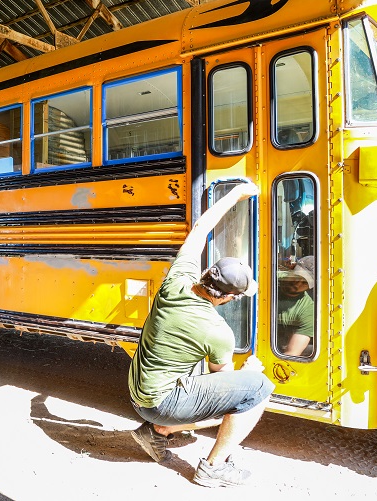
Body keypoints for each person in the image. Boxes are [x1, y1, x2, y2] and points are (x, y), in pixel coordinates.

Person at [128, 181, 275, 488]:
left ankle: (155, 432)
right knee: (257, 389)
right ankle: (213, 467)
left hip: (137, 391)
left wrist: (235, 193)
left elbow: (200, 227)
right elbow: (226, 389)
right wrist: (248, 372)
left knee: (196, 363)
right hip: (158, 402)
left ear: (208, 273)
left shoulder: (177, 280)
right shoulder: (217, 331)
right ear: (226, 298)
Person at [276, 256, 315, 356]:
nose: (297, 284)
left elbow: (292, 353)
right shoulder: (268, 279)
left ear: (310, 287)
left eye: (304, 282)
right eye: (298, 276)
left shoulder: (308, 311)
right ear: (292, 269)